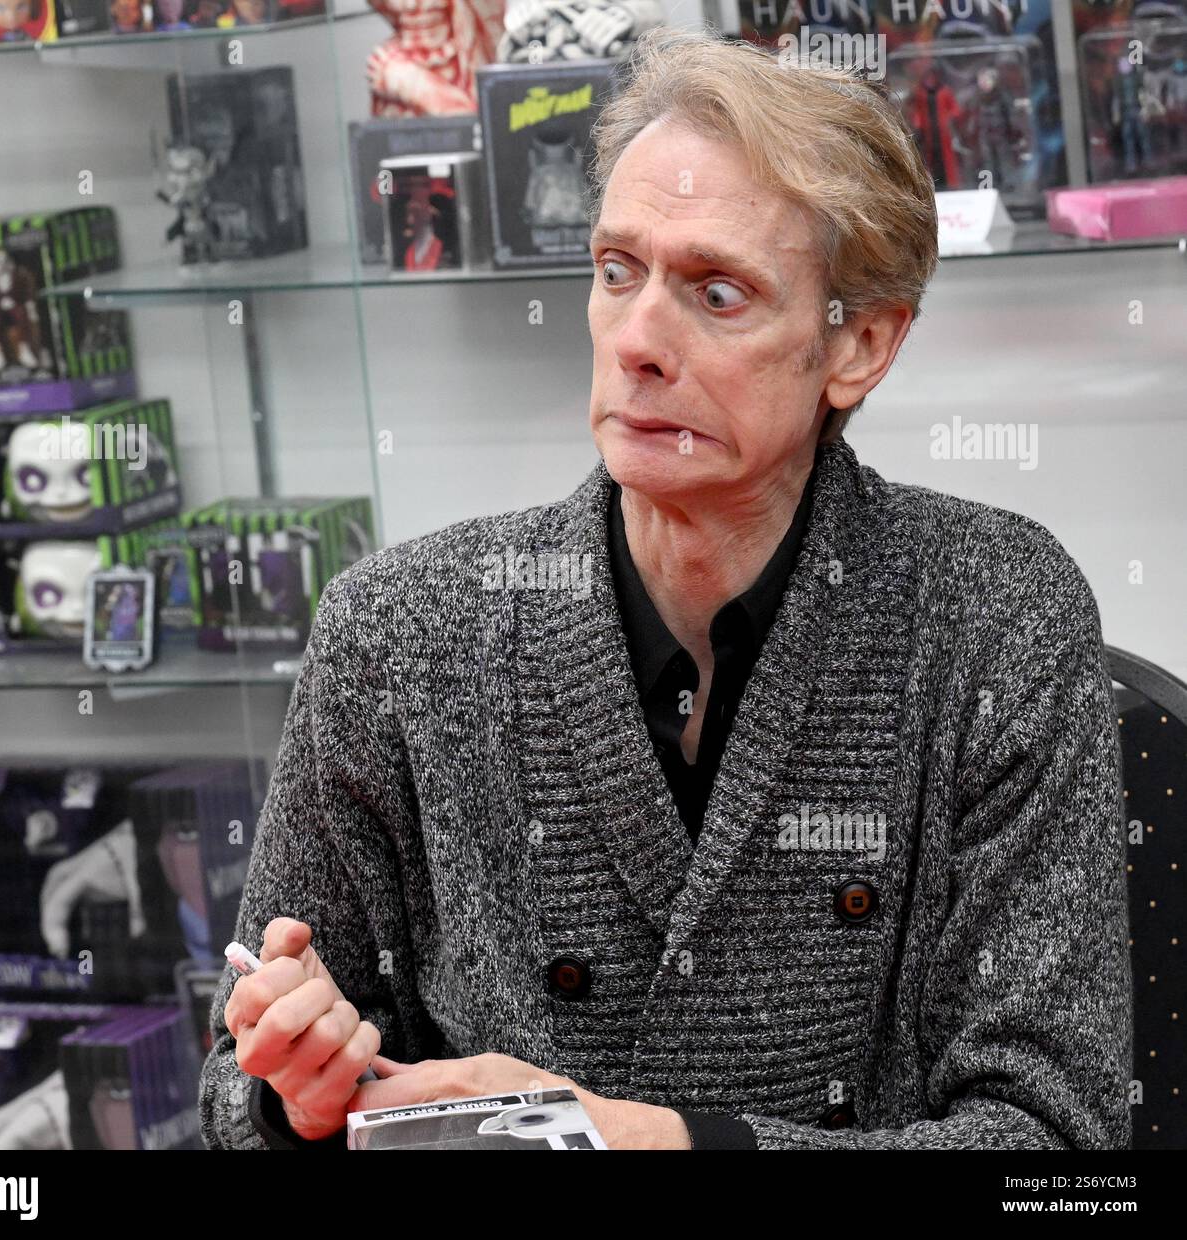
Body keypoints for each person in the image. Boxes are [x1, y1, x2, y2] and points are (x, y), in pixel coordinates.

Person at [199, 26, 1133, 1150]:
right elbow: (234, 1094)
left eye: (717, 292)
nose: (636, 337)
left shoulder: (997, 616)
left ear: (860, 346)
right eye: (615, 271)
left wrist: (631, 1137)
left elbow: (1055, 1146)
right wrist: (295, 1094)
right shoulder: (396, 635)